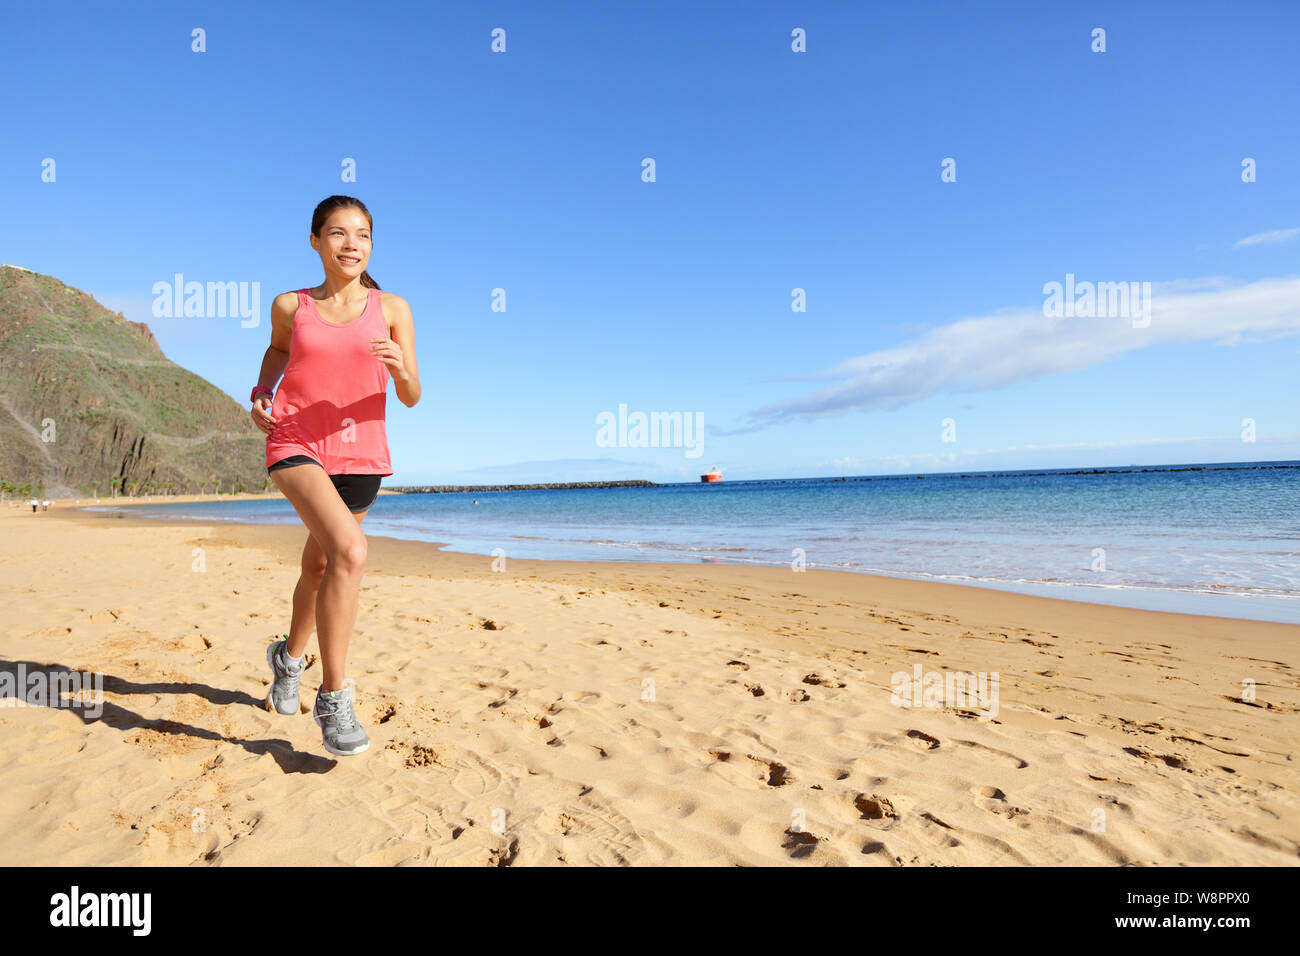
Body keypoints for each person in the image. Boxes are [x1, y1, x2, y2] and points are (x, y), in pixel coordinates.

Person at [249, 195, 421, 756]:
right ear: (316, 241)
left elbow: (413, 395)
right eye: (339, 233)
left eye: (363, 235)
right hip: (296, 441)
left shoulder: (392, 308)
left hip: (362, 455)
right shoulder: (290, 306)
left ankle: (289, 658)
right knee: (350, 552)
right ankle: (334, 697)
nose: (352, 244)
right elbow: (277, 355)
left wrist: (399, 371)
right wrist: (261, 393)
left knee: (321, 564)